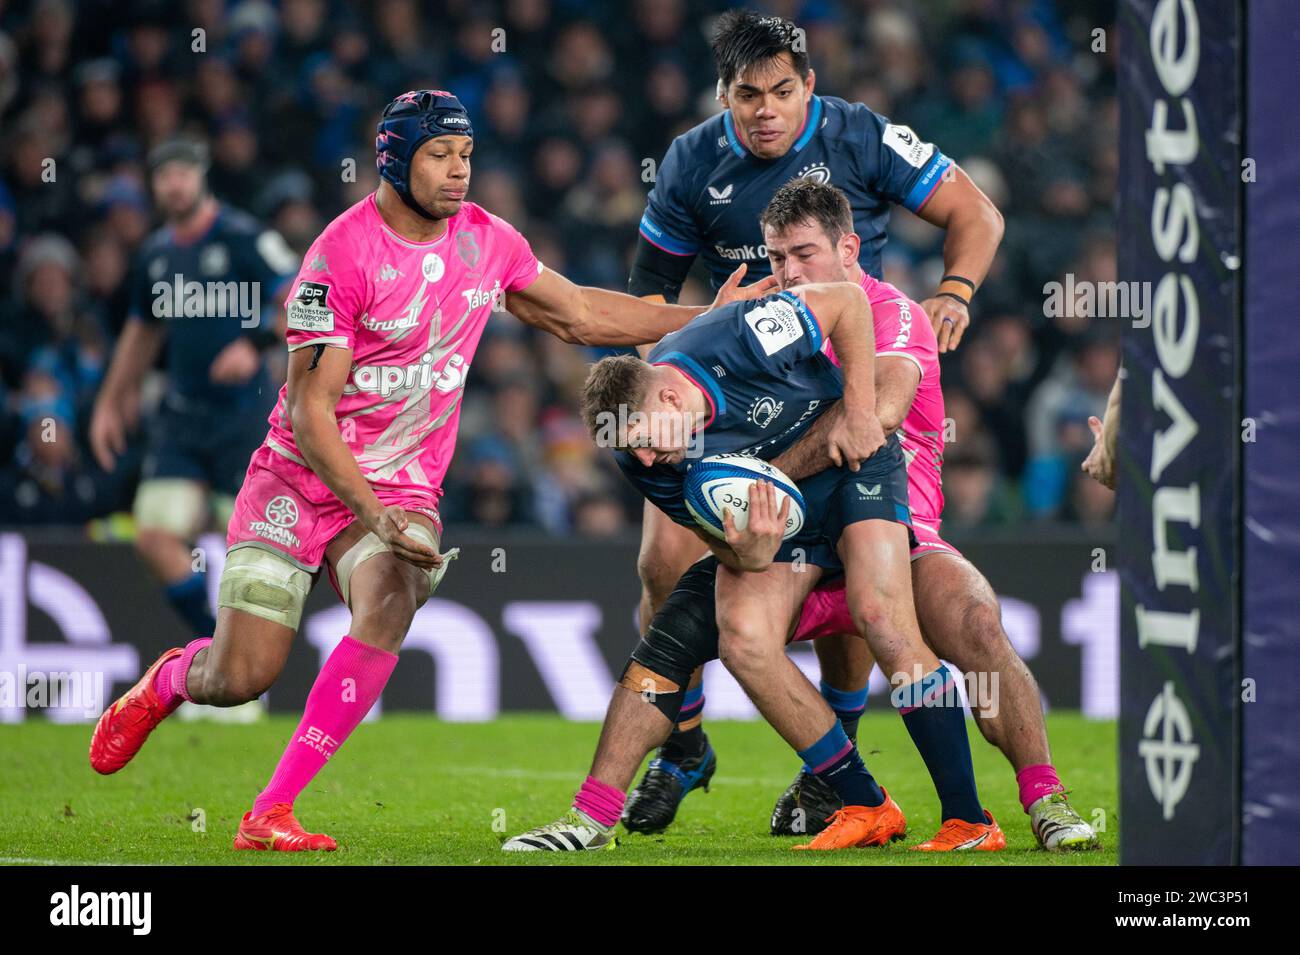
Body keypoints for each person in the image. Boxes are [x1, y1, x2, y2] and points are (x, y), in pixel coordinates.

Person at [88, 90, 767, 851]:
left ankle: (270, 810)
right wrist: (369, 514)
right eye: (440, 155)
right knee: (241, 676)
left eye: (467, 156)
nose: (458, 172)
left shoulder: (488, 241)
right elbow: (313, 416)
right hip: (299, 476)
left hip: (403, 483)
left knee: (395, 590)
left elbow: (578, 313)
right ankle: (171, 680)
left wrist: (700, 319)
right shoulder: (339, 256)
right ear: (393, 160)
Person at [623, 9, 1004, 831]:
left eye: (783, 92)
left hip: (853, 385)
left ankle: (841, 776)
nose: (766, 110)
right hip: (740, 395)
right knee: (662, 556)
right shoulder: (690, 162)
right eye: (747, 95)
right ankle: (685, 747)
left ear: (810, 87)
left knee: (862, 589)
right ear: (723, 93)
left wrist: (955, 291)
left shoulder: (862, 136)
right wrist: (694, 322)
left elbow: (978, 214)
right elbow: (643, 303)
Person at [506, 280, 1003, 852]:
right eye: (627, 449)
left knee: (881, 615)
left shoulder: (735, 336)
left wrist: (861, 409)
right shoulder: (646, 461)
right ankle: (864, 803)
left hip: (851, 468)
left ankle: (969, 820)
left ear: (668, 398)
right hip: (777, 509)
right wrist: (747, 553)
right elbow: (717, 539)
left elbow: (847, 299)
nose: (642, 459)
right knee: (737, 639)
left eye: (641, 439)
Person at [760, 180, 1096, 849]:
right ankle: (658, 779)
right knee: (684, 606)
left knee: (974, 621)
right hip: (801, 538)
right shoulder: (765, 330)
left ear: (849, 248)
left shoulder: (896, 315)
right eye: (776, 258)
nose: (789, 272)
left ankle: (1045, 798)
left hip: (899, 532)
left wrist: (766, 466)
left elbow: (871, 419)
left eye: (804, 253)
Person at [89, 138, 297, 639]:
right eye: (164, 177)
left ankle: (244, 662)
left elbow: (302, 299)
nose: (174, 185)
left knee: (251, 548)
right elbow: (141, 333)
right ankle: (213, 644)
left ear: (201, 175)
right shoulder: (156, 254)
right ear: (154, 186)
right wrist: (110, 403)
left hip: (246, 418)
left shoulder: (245, 238)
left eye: (183, 173)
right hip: (182, 418)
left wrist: (255, 344)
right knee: (155, 535)